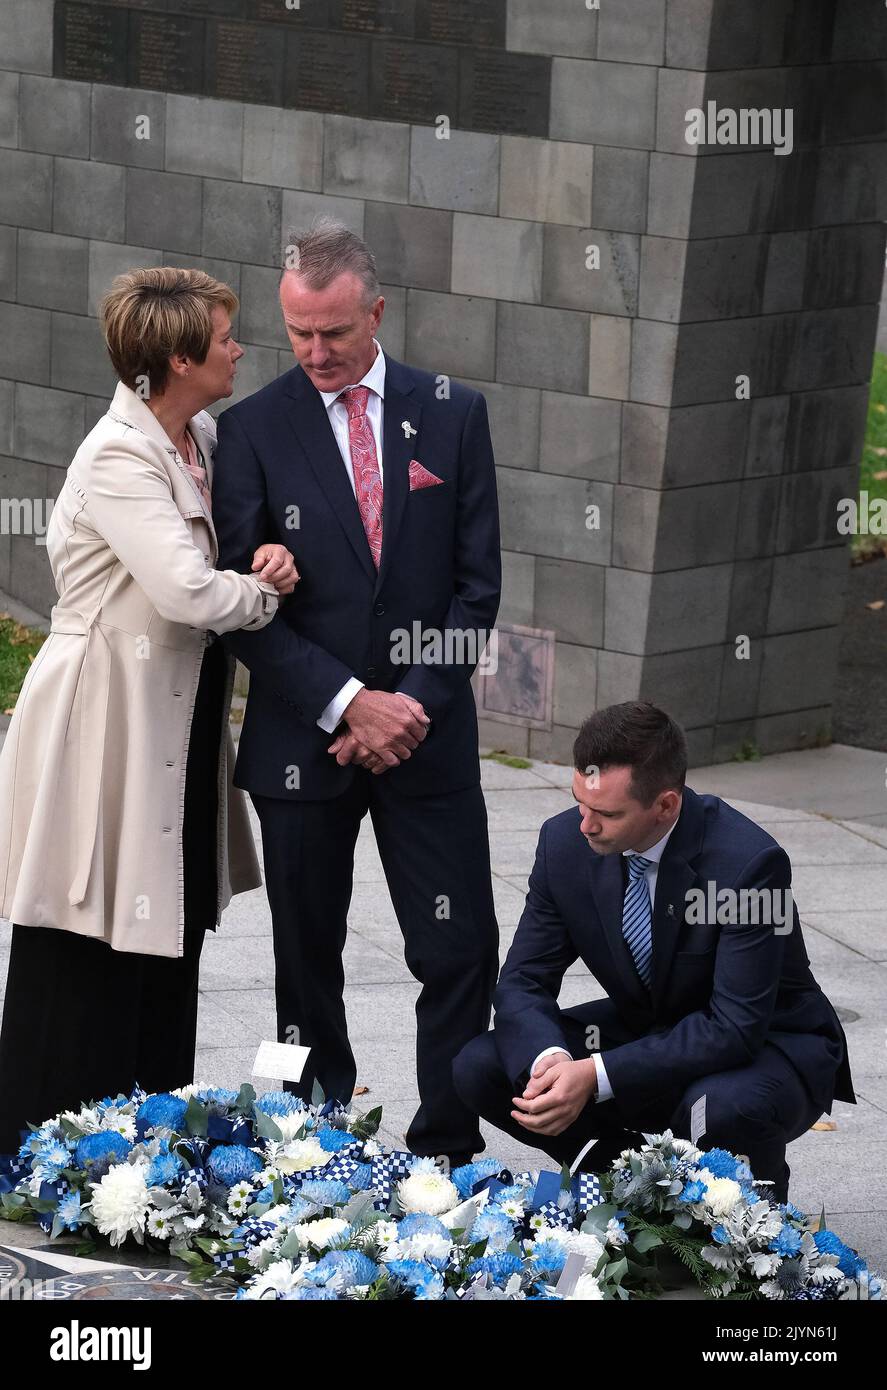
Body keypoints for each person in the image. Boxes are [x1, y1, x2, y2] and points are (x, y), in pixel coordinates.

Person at [211, 218, 501, 1167]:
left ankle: (445, 1154)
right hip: (303, 742)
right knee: (303, 965)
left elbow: (475, 587)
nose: (316, 352)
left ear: (375, 311)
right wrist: (346, 703)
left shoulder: (453, 412)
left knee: (456, 955)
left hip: (428, 736)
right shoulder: (249, 429)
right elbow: (244, 601)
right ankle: (312, 1144)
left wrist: (405, 706)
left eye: (334, 331)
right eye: (298, 332)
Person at [0, 267, 298, 1152]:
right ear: (177, 358)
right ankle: (47, 1137)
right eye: (223, 337)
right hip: (105, 712)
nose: (239, 347)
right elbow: (189, 592)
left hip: (178, 706)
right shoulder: (118, 455)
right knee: (85, 906)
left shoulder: (197, 433)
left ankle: (145, 1123)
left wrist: (259, 556)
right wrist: (266, 588)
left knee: (166, 906)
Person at [453, 701, 855, 1201]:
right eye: (580, 801)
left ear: (665, 805)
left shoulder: (749, 865)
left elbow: (734, 1027)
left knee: (717, 1108)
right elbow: (521, 983)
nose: (586, 825)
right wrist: (553, 1061)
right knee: (484, 1064)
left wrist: (595, 1076)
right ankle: (623, 1185)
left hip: (768, 1047)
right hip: (654, 1027)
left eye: (607, 813)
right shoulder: (564, 843)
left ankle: (755, 1218)